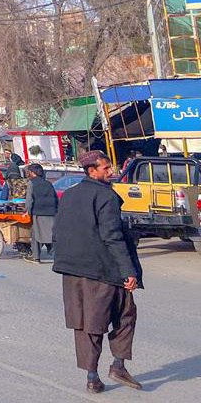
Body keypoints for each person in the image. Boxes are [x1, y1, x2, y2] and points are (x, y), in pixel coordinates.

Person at [52, 150, 143, 393]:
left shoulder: (68, 196)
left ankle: (92, 378)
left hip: (72, 272)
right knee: (125, 314)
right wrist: (129, 271)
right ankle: (118, 365)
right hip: (103, 271)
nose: (111, 172)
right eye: (105, 168)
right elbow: (112, 237)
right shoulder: (106, 197)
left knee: (85, 323)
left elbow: (57, 232)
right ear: (91, 171)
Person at [24, 163, 58, 263]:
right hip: (52, 212)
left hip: (39, 212)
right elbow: (55, 198)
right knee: (51, 235)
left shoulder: (32, 183)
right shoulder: (48, 183)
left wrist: (27, 211)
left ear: (32, 173)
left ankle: (36, 257)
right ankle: (55, 255)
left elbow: (29, 200)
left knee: (36, 235)